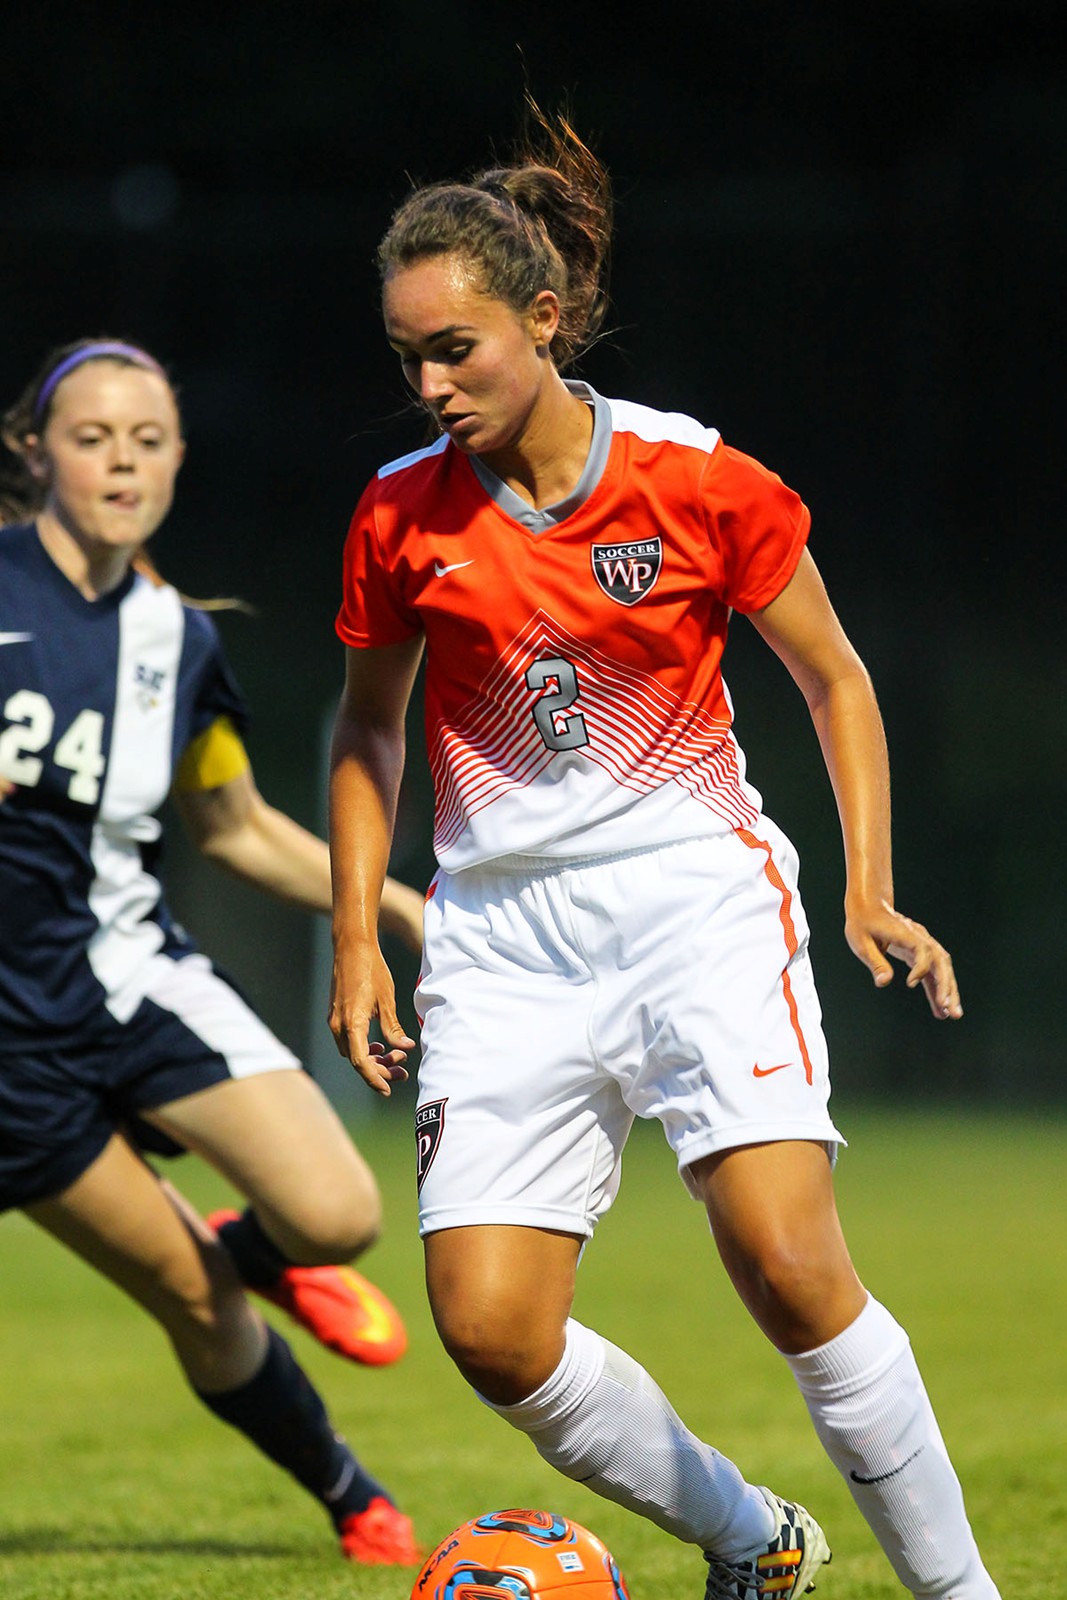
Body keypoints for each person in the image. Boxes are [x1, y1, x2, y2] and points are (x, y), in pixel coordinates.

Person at [326, 105, 1004, 1600]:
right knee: (491, 1329)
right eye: (406, 357)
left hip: (689, 897)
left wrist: (865, 882)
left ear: (544, 319)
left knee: (783, 1262)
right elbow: (367, 735)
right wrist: (354, 933)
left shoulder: (694, 480)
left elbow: (833, 676)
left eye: (458, 349)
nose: (429, 384)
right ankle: (750, 1539)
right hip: (500, 938)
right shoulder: (396, 519)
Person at [0, 337, 426, 1566]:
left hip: (132, 981)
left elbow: (230, 826)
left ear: (178, 458)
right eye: (92, 438)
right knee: (192, 1302)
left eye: (148, 439)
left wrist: (397, 908)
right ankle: (352, 1495)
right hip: (11, 1054)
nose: (121, 460)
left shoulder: (174, 642)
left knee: (339, 1214)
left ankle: (251, 1246)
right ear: (38, 453)